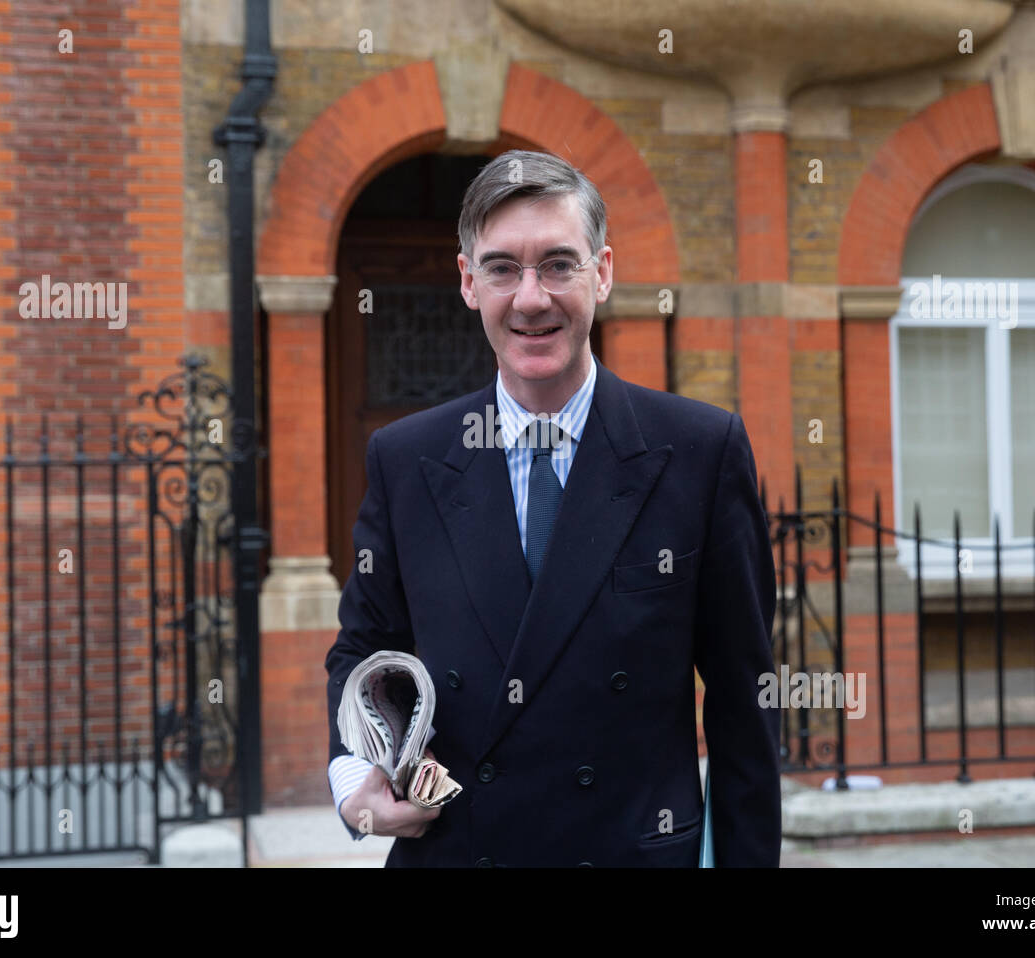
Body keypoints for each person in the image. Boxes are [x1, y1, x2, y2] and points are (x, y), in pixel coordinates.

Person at [324, 149, 780, 867]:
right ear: (469, 282)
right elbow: (362, 652)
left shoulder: (698, 449)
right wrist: (356, 782)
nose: (531, 297)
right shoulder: (406, 457)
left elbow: (743, 702)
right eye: (503, 268)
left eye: (558, 265)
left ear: (601, 273)